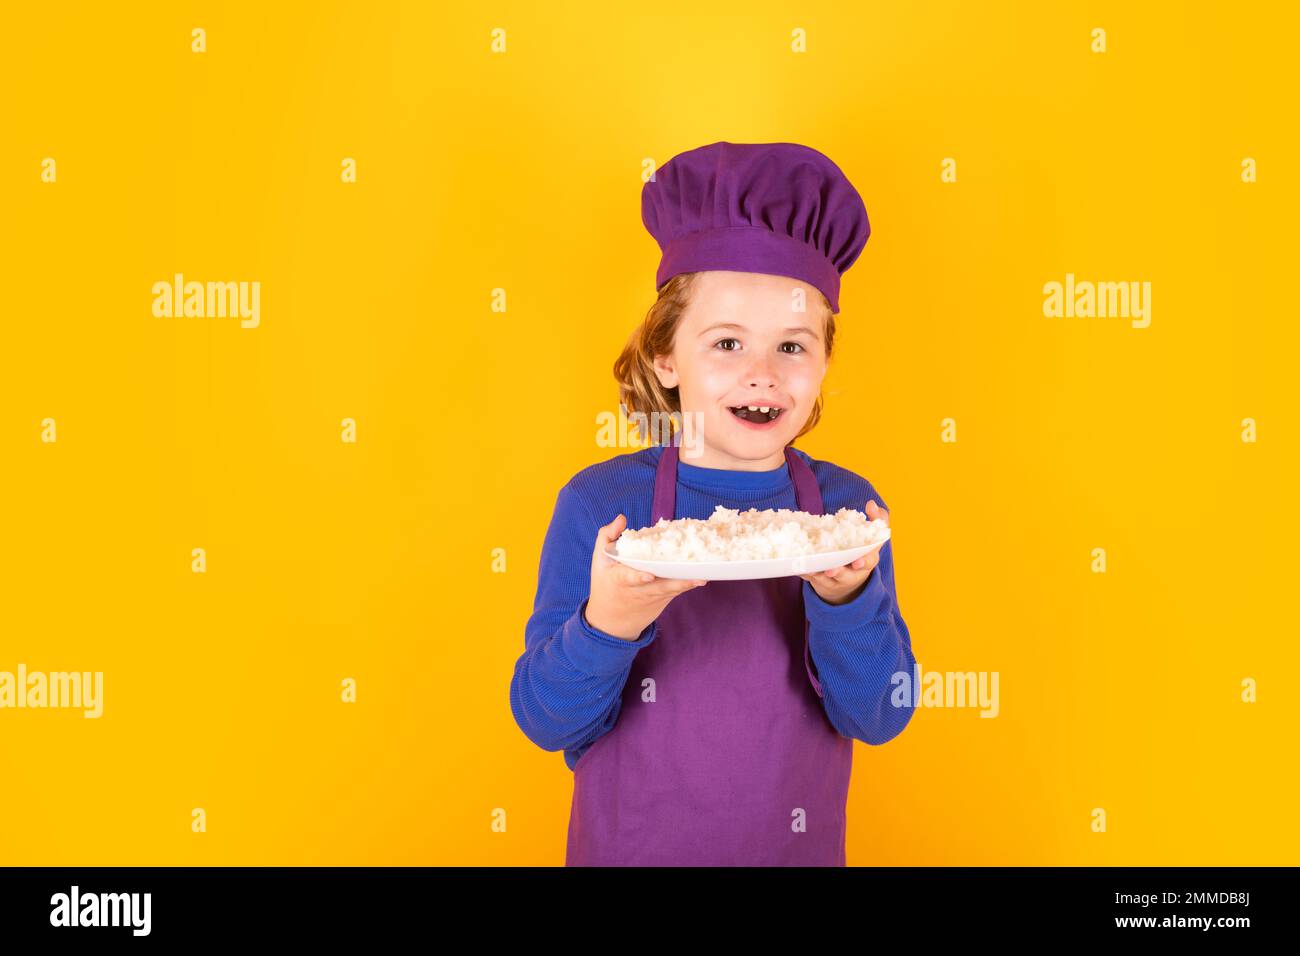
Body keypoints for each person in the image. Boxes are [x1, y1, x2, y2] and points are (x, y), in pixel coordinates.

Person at [509, 141, 918, 866]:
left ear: (825, 362)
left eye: (793, 347)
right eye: (726, 342)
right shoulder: (603, 506)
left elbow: (880, 715)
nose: (761, 375)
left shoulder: (847, 511)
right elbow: (546, 720)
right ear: (666, 358)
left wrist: (849, 599)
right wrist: (611, 622)